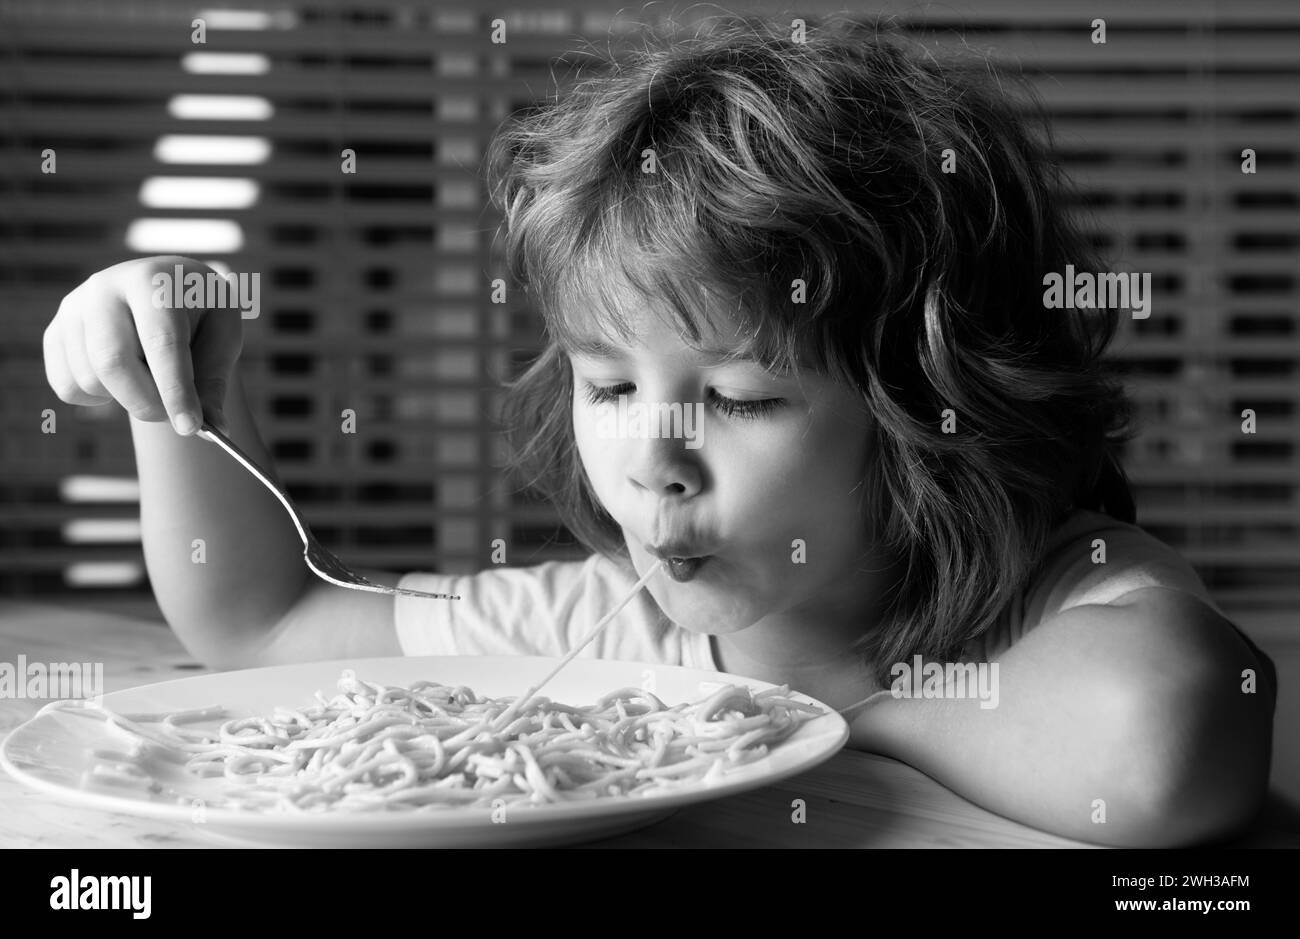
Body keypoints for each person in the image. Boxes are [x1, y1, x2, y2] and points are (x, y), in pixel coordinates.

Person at [43, 15, 1274, 846]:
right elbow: (263, 621)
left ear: (929, 421)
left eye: (738, 399)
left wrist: (810, 701)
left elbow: (1175, 733)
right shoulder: (604, 634)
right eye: (609, 387)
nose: (650, 461)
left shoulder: (1059, 593)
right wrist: (175, 394)